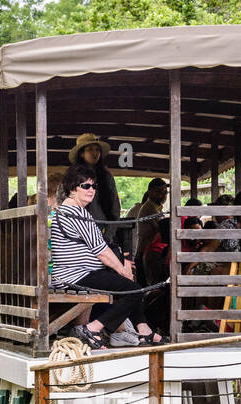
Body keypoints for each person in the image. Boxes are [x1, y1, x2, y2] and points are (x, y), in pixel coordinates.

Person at [49, 163, 165, 350]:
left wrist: (120, 267)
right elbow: (100, 250)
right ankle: (93, 328)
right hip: (77, 275)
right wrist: (122, 270)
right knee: (133, 290)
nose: (91, 190)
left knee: (129, 287)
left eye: (94, 186)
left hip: (72, 273)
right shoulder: (76, 213)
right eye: (85, 186)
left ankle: (144, 331)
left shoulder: (67, 211)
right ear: (72, 188)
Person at [68, 133, 120, 229]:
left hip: (102, 228)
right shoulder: (71, 176)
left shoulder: (107, 177)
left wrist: (110, 233)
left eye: (97, 150)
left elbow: (115, 206)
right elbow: (61, 201)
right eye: (90, 149)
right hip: (77, 228)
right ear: (81, 153)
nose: (95, 153)